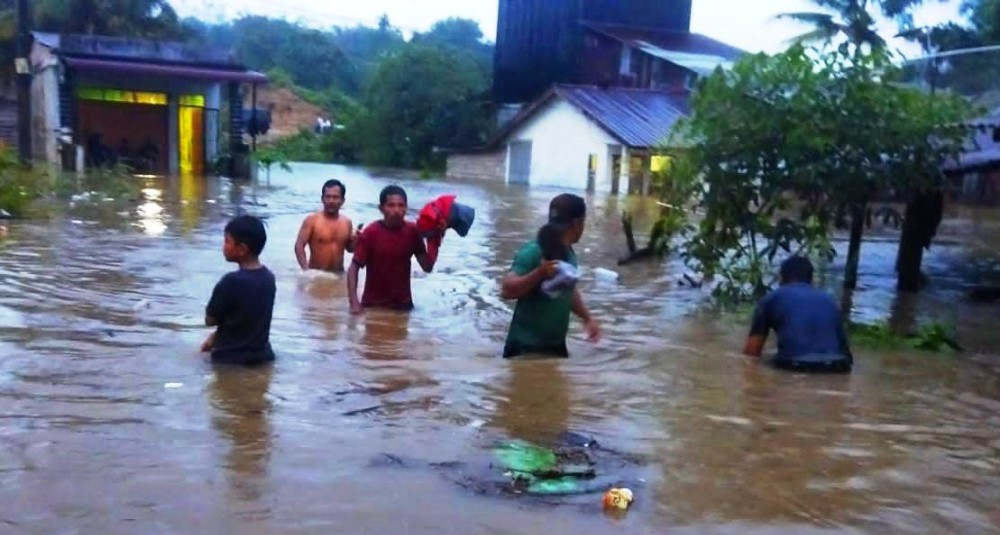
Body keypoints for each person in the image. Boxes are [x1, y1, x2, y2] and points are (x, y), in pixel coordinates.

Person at [500, 193, 601, 358]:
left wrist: (587, 318)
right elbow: (506, 290)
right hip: (525, 348)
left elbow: (568, 291)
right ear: (577, 223)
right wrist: (539, 273)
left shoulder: (569, 254)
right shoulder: (533, 251)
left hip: (556, 347)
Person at [742, 255, 853, 372]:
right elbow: (847, 355)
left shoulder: (770, 299)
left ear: (781, 278)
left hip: (795, 364)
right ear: (811, 280)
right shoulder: (829, 301)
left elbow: (752, 353)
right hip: (839, 366)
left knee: (759, 364)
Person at [347, 185, 440, 314]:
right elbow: (353, 268)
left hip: (403, 307)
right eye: (391, 205)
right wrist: (354, 302)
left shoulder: (413, 231)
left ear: (406, 208)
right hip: (373, 307)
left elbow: (427, 267)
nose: (396, 210)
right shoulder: (371, 232)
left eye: (401, 205)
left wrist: (435, 238)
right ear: (381, 209)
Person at [201, 215, 276, 366]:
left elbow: (210, 320)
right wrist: (215, 336)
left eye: (227, 241)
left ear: (242, 249)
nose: (223, 246)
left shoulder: (230, 281)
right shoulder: (269, 278)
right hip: (262, 356)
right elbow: (249, 320)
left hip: (229, 358)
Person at [294, 179, 356, 273]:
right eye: (328, 197)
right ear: (322, 199)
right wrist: (306, 271)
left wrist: (357, 240)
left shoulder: (347, 222)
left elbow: (350, 249)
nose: (331, 201)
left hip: (338, 274)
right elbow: (299, 246)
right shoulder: (312, 220)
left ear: (342, 200)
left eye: (335, 197)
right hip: (317, 274)